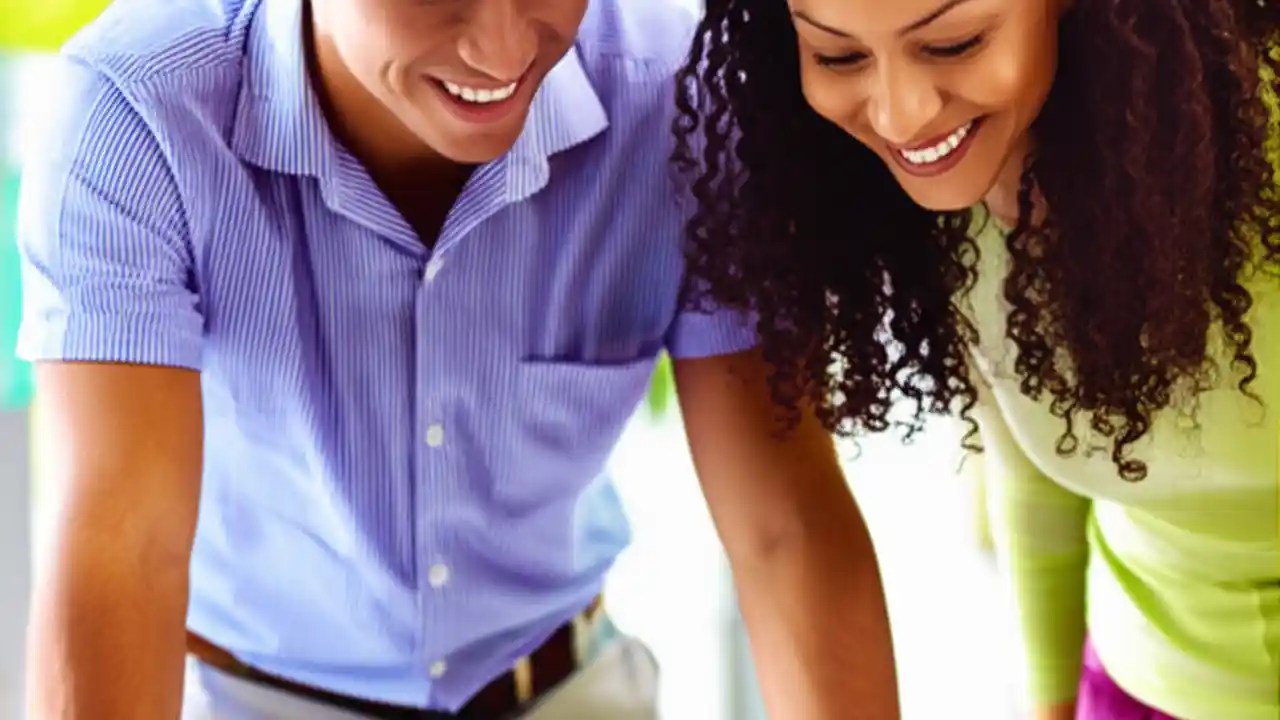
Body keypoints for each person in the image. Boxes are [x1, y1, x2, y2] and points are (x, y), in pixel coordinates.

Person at [16, 0, 903, 717]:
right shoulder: (135, 110)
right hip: (252, 695)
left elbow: (783, 529)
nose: (501, 44)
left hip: (568, 687)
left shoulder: (684, 106)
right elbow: (123, 551)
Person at [672, 1, 1280, 719]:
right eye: (839, 57)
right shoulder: (955, 194)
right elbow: (1034, 485)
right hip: (1138, 688)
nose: (901, 115)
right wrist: (1052, 705)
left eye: (954, 43)